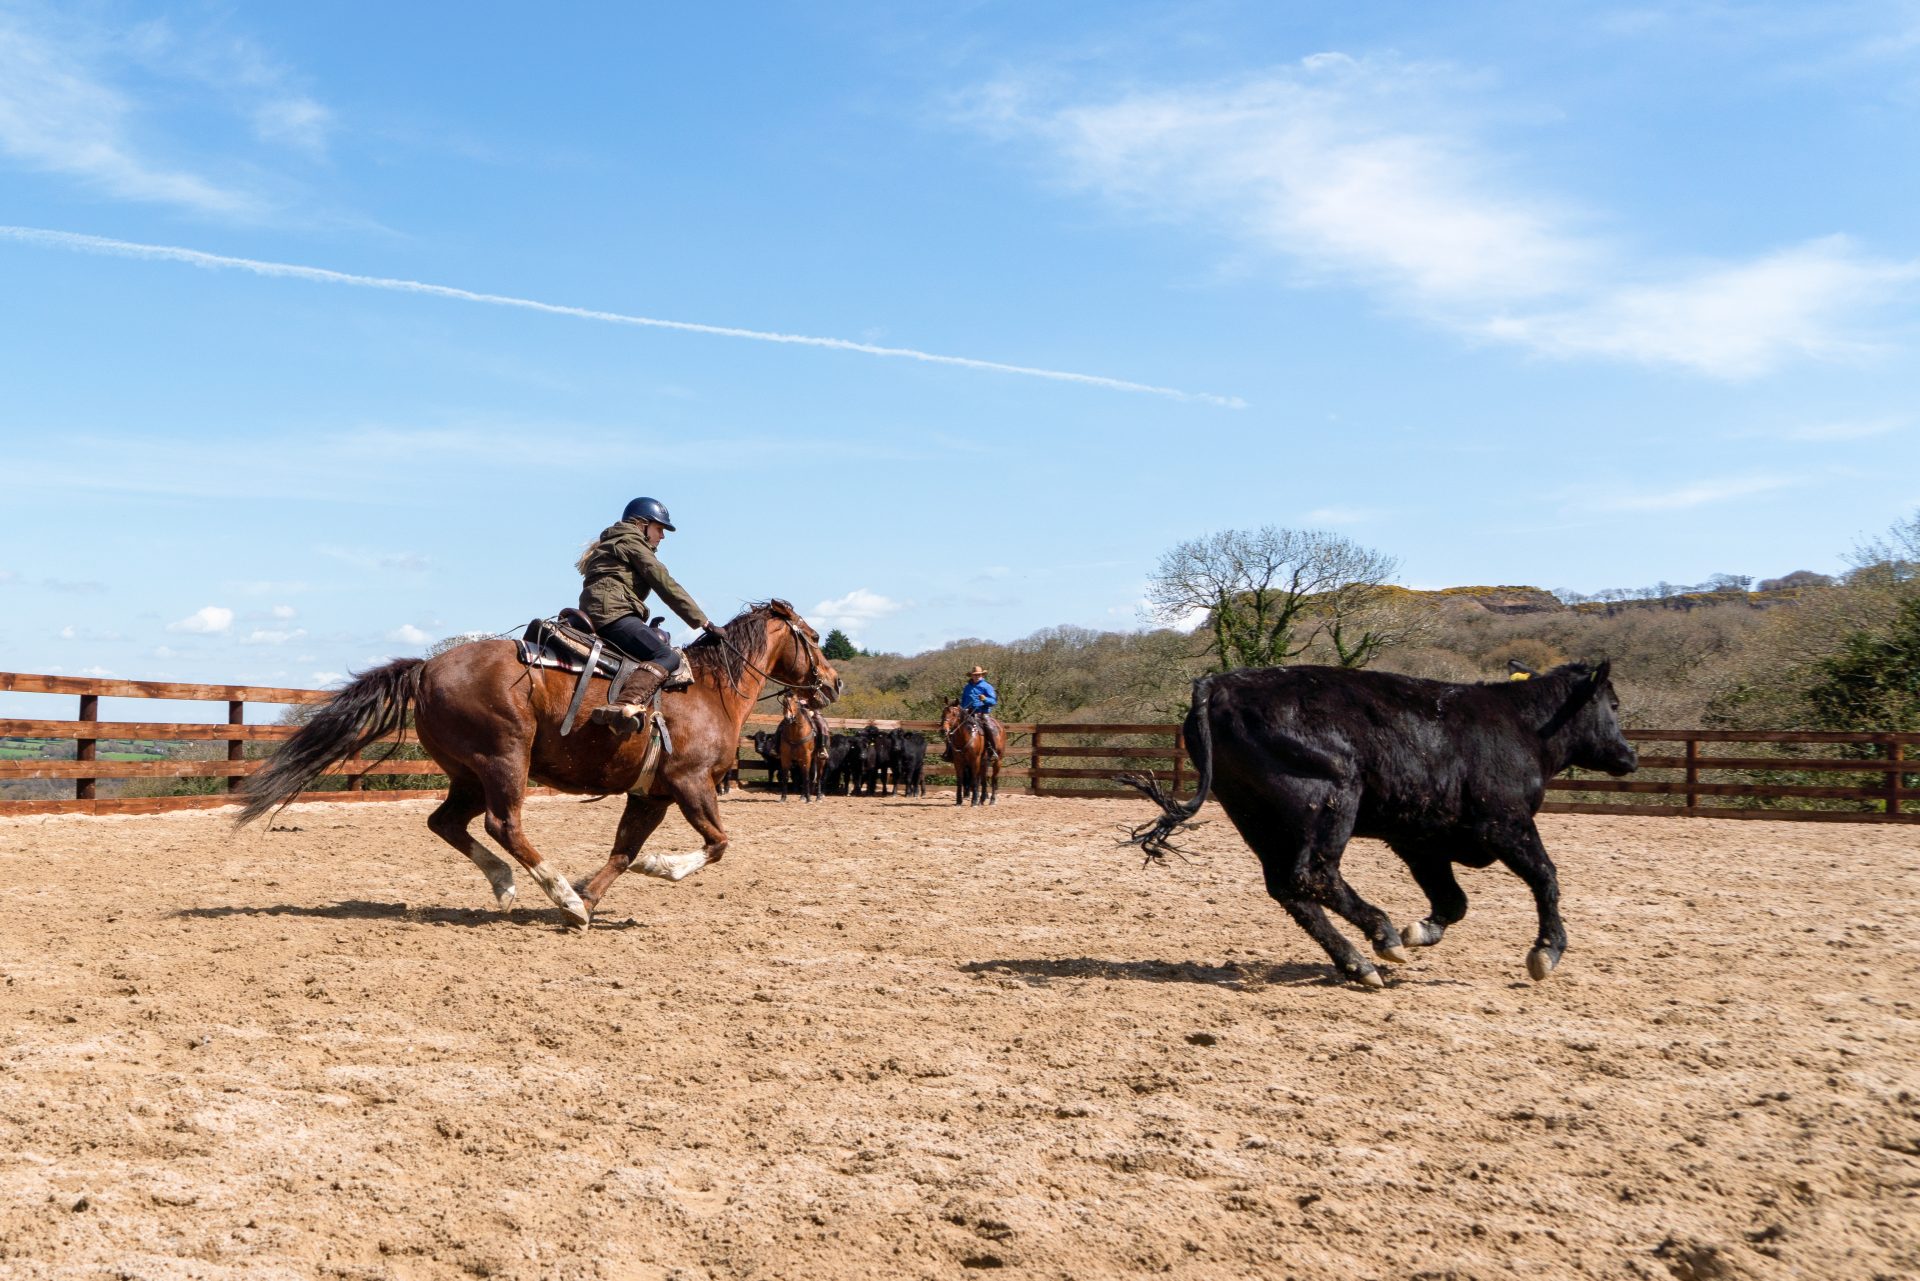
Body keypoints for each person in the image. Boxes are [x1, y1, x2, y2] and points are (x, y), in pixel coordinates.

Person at [576, 496, 723, 733]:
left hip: (599, 611)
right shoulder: (633, 542)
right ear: (641, 525)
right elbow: (664, 583)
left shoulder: (615, 541)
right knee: (666, 656)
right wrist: (703, 622)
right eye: (659, 528)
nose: (662, 536)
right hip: (613, 614)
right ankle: (625, 704)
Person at [958, 664, 1003, 760]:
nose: (977, 676)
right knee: (954, 727)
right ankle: (950, 751)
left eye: (979, 674)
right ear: (971, 676)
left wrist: (985, 699)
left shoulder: (987, 687)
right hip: (967, 714)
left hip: (982, 714)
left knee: (990, 728)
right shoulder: (967, 687)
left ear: (982, 675)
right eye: (975, 675)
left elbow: (993, 702)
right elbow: (963, 702)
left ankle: (993, 751)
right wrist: (962, 709)